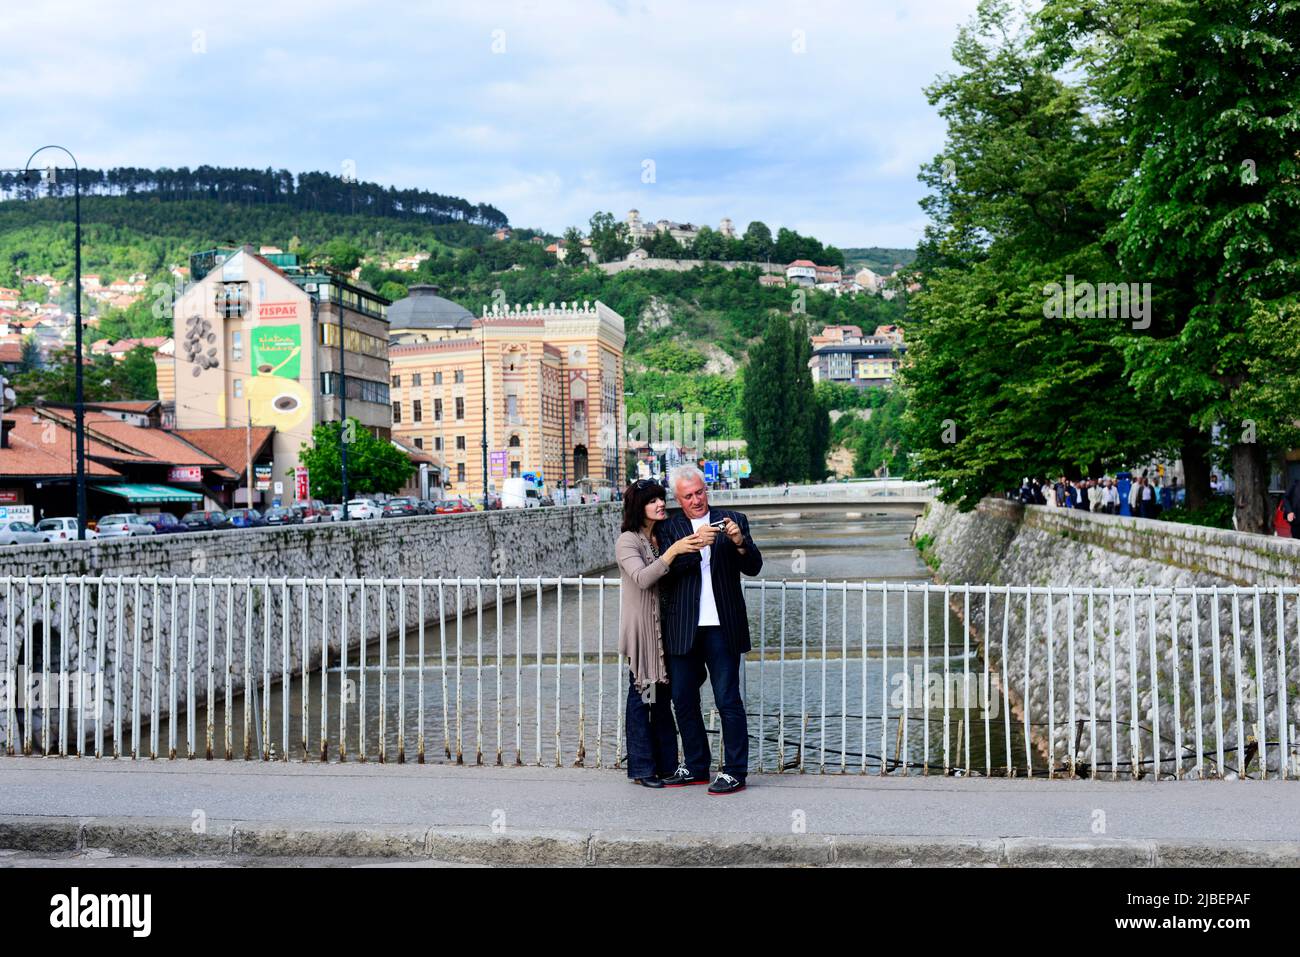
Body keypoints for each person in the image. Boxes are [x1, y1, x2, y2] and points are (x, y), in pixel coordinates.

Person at [656, 465, 763, 795]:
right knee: (683, 699)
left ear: (707, 490)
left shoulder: (734, 518)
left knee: (728, 699)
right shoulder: (669, 529)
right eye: (687, 496)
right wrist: (691, 547)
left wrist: (740, 542)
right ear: (678, 499)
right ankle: (697, 766)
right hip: (683, 627)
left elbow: (754, 567)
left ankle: (734, 771)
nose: (696, 500)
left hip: (722, 626)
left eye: (699, 492)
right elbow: (664, 575)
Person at [614, 479, 705, 787]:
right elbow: (641, 578)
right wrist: (673, 553)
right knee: (643, 698)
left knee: (661, 700)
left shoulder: (660, 536)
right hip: (643, 636)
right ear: (639, 508)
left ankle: (666, 765)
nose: (660, 504)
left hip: (665, 631)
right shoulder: (628, 540)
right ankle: (641, 769)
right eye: (652, 501)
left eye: (661, 499)